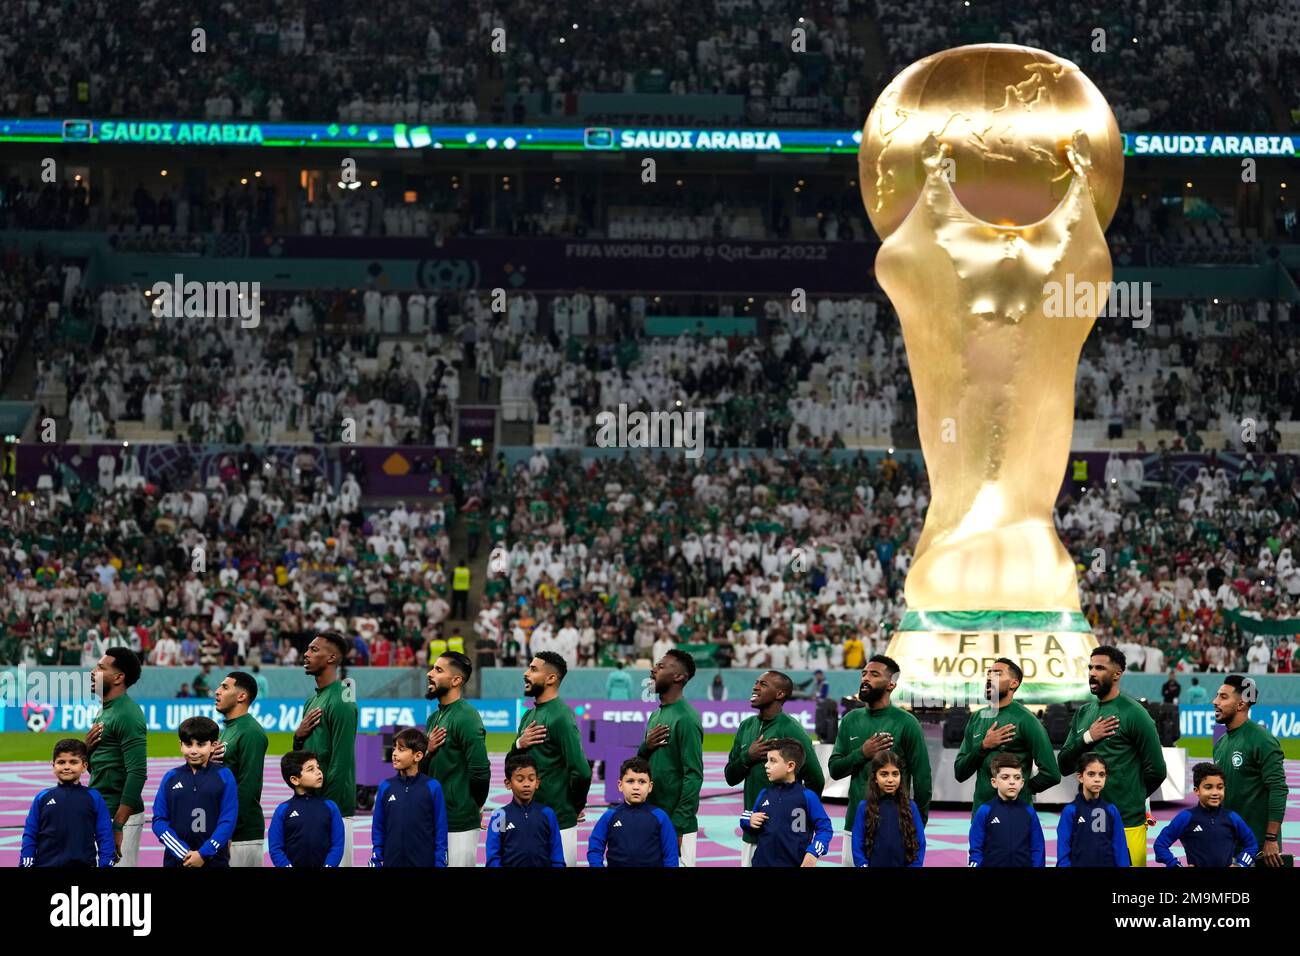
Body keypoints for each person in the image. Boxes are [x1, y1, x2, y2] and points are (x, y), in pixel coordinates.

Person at [1057, 646, 1167, 866]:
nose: (1092, 673)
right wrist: (1088, 737)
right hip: (1085, 820)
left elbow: (1157, 770)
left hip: (1127, 822)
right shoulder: (1083, 713)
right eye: (1090, 667)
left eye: (1100, 668)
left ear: (1117, 674)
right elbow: (1064, 765)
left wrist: (1133, 797)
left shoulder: (1135, 714)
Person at [829, 654, 932, 866]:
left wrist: (916, 824)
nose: (865, 678)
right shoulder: (850, 720)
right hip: (854, 827)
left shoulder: (907, 723)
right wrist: (862, 753)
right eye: (864, 673)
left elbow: (923, 780)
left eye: (874, 674)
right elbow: (835, 769)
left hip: (898, 827)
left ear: (891, 684)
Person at [725, 669, 825, 866]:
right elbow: (730, 777)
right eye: (756, 682)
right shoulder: (746, 726)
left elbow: (816, 779)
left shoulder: (791, 728)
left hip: (784, 839)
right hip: (752, 833)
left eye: (763, 684)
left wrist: (798, 820)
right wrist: (748, 756)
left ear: (780, 694)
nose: (755, 687)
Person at [507, 652, 591, 866]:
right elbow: (511, 764)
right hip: (527, 818)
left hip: (558, 822)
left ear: (551, 678)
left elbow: (581, 771)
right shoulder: (528, 715)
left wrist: (574, 806)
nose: (526, 673)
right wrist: (519, 744)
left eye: (534, 669)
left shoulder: (561, 716)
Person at [954, 658, 1061, 818]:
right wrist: (983, 746)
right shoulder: (976, 718)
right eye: (988, 674)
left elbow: (1052, 773)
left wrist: (1020, 790)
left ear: (1014, 683)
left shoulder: (1026, 720)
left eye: (997, 674)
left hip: (1017, 816)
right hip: (981, 816)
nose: (989, 678)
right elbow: (960, 772)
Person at [292, 631, 359, 865]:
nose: (306, 654)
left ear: (331, 658)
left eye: (313, 649)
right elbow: (300, 757)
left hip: (334, 810)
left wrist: (326, 807)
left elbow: (341, 761)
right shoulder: (313, 700)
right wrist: (297, 737)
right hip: (313, 803)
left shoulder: (342, 699)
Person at [420, 651, 491, 866]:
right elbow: (423, 769)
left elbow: (480, 771)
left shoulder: (466, 716)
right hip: (434, 818)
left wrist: (473, 807)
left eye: (438, 670)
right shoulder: (435, 717)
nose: (429, 674)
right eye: (432, 668)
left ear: (456, 680)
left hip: (459, 822)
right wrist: (427, 751)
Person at [638, 648, 705, 866]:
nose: (652, 670)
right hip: (651, 817)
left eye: (661, 666)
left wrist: (677, 825)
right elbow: (643, 764)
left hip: (675, 826)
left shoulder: (686, 718)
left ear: (679, 676)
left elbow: (693, 776)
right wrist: (645, 747)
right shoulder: (656, 714)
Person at [1212, 675, 1288, 865]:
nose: (1215, 702)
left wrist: (1270, 839)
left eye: (1223, 697)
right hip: (1228, 843)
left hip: (1259, 848)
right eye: (1217, 696)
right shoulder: (1220, 743)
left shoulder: (1261, 739)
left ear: (1241, 704)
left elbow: (1278, 788)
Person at [86, 647, 148, 866]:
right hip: (101, 810)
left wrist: (118, 825)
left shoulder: (128, 714)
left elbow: (138, 773)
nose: (93, 672)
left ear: (119, 677)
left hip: (119, 817)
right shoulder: (105, 711)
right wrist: (87, 750)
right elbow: (101, 767)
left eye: (101, 668)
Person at [152, 716, 239, 868]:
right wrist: (182, 852)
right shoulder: (170, 777)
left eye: (201, 744)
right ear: (180, 745)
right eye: (188, 744)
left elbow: (228, 820)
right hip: (177, 861)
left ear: (213, 746)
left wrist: (203, 853)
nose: (193, 751)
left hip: (215, 861)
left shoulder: (224, 776)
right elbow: (159, 820)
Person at [20, 739, 115, 867]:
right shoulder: (42, 797)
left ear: (84, 766)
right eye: (61, 762)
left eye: (73, 762)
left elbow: (105, 835)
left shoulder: (94, 797)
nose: (66, 767)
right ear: (53, 765)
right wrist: (26, 862)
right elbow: (30, 834)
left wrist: (106, 864)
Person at [740, 738, 834, 867]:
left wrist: (813, 852)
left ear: (790, 766)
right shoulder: (764, 794)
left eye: (773, 761)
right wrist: (748, 820)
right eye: (767, 760)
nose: (766, 765)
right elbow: (749, 819)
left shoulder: (808, 797)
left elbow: (825, 828)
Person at [1154, 762, 1258, 868]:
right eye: (1208, 787)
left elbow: (1252, 845)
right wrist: (1174, 864)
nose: (1215, 792)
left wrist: (1241, 864)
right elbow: (1160, 845)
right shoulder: (1186, 817)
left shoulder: (1232, 818)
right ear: (1196, 791)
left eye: (1219, 787)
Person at [370, 728, 448, 868]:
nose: (394, 753)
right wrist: (377, 857)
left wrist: (440, 861)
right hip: (392, 862)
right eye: (394, 749)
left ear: (417, 756)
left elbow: (440, 829)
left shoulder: (433, 787)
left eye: (401, 749)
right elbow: (378, 827)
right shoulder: (385, 786)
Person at [214, 671, 268, 867]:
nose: (217, 692)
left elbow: (247, 788)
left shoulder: (251, 733)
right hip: (226, 829)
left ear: (241, 696)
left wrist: (228, 831)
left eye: (225, 687)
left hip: (242, 835)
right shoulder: (229, 729)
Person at [587, 757, 679, 867]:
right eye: (630, 781)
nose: (636, 787)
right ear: (620, 785)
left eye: (642, 782)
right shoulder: (610, 816)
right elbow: (595, 847)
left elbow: (671, 854)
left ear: (650, 786)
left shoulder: (660, 817)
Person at [484, 754, 566, 867]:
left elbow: (557, 855)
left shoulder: (548, 814)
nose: (526, 784)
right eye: (520, 779)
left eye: (531, 779)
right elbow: (493, 857)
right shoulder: (500, 816)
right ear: (508, 783)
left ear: (537, 783)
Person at [267, 751, 345, 868]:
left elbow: (337, 845)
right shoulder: (283, 810)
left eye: (318, 767)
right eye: (310, 769)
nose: (319, 772)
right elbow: (276, 848)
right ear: (294, 780)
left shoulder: (331, 807)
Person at [968, 754, 1046, 867]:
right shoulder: (985, 811)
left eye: (1017, 777)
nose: (1012, 782)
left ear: (1022, 783)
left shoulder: (1029, 812)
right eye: (1005, 777)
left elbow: (1037, 847)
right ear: (994, 782)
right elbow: (976, 848)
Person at [851, 750, 926, 867]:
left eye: (895, 774)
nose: (890, 780)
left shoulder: (911, 807)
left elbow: (920, 843)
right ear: (875, 777)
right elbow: (857, 844)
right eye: (884, 774)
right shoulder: (864, 807)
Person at [1056, 752, 1129, 867]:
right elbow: (1063, 849)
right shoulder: (1070, 811)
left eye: (1101, 774)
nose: (1097, 779)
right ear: (1080, 777)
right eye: (1091, 774)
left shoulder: (1111, 810)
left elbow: (1120, 847)